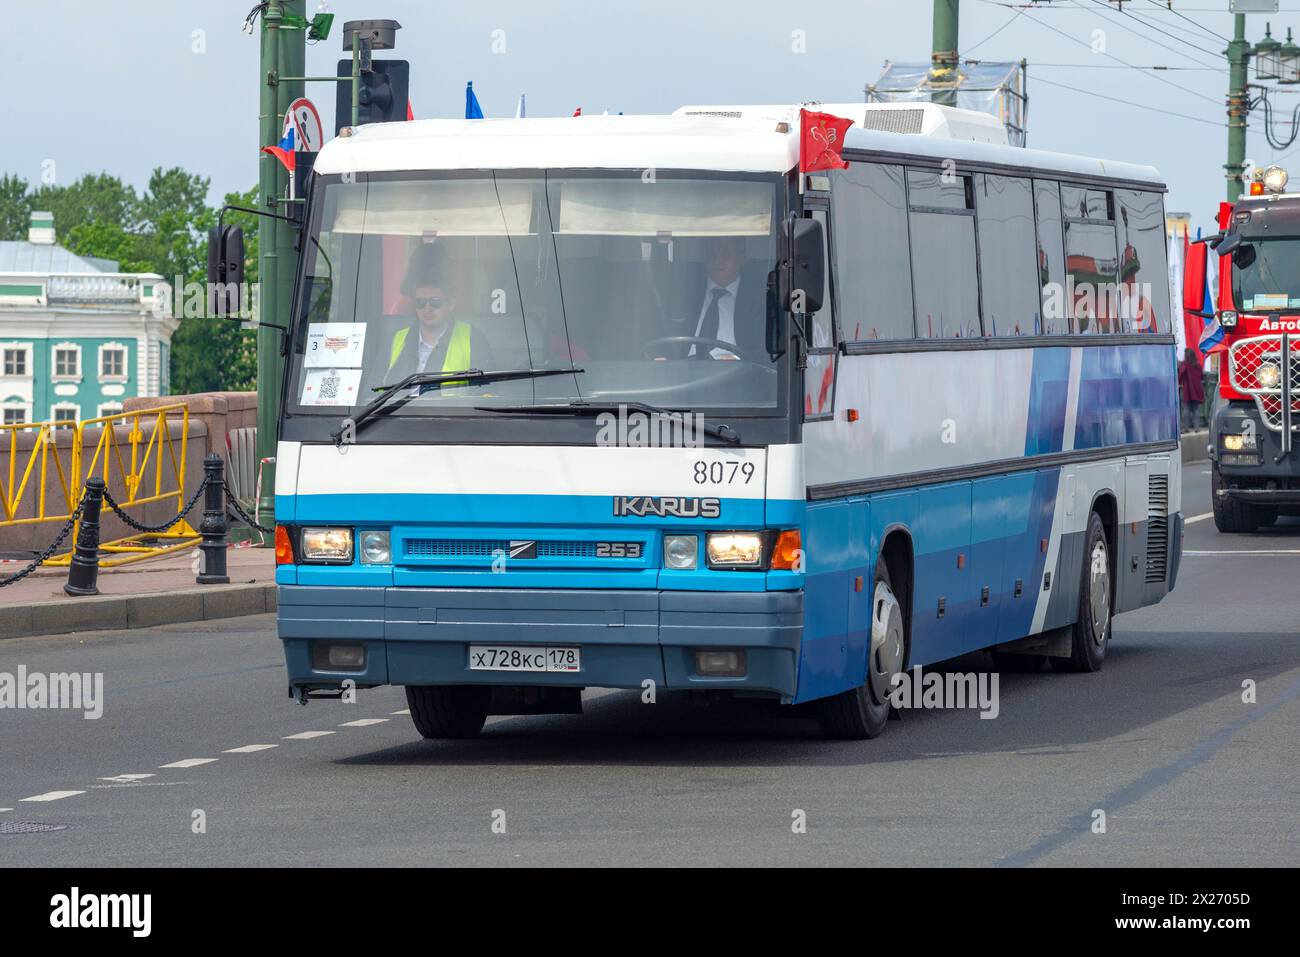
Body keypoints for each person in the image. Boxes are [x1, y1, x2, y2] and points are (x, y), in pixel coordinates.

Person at [386, 249, 492, 382]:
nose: (427, 308)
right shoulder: (396, 340)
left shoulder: (474, 340)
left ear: (451, 303)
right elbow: (373, 389)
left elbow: (485, 394)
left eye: (435, 302)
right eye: (421, 302)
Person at [674, 236, 768, 359]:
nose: (717, 260)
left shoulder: (761, 299)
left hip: (738, 374)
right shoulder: (684, 292)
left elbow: (769, 354)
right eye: (711, 253)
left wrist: (740, 361)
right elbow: (662, 337)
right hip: (684, 371)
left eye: (725, 252)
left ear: (741, 257)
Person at [1178, 347, 1206, 430]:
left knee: (1186, 410)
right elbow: (1201, 377)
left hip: (1187, 390)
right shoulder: (1198, 365)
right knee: (1195, 410)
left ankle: (1185, 428)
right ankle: (1196, 427)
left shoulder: (1184, 365)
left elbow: (1180, 376)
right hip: (1196, 390)